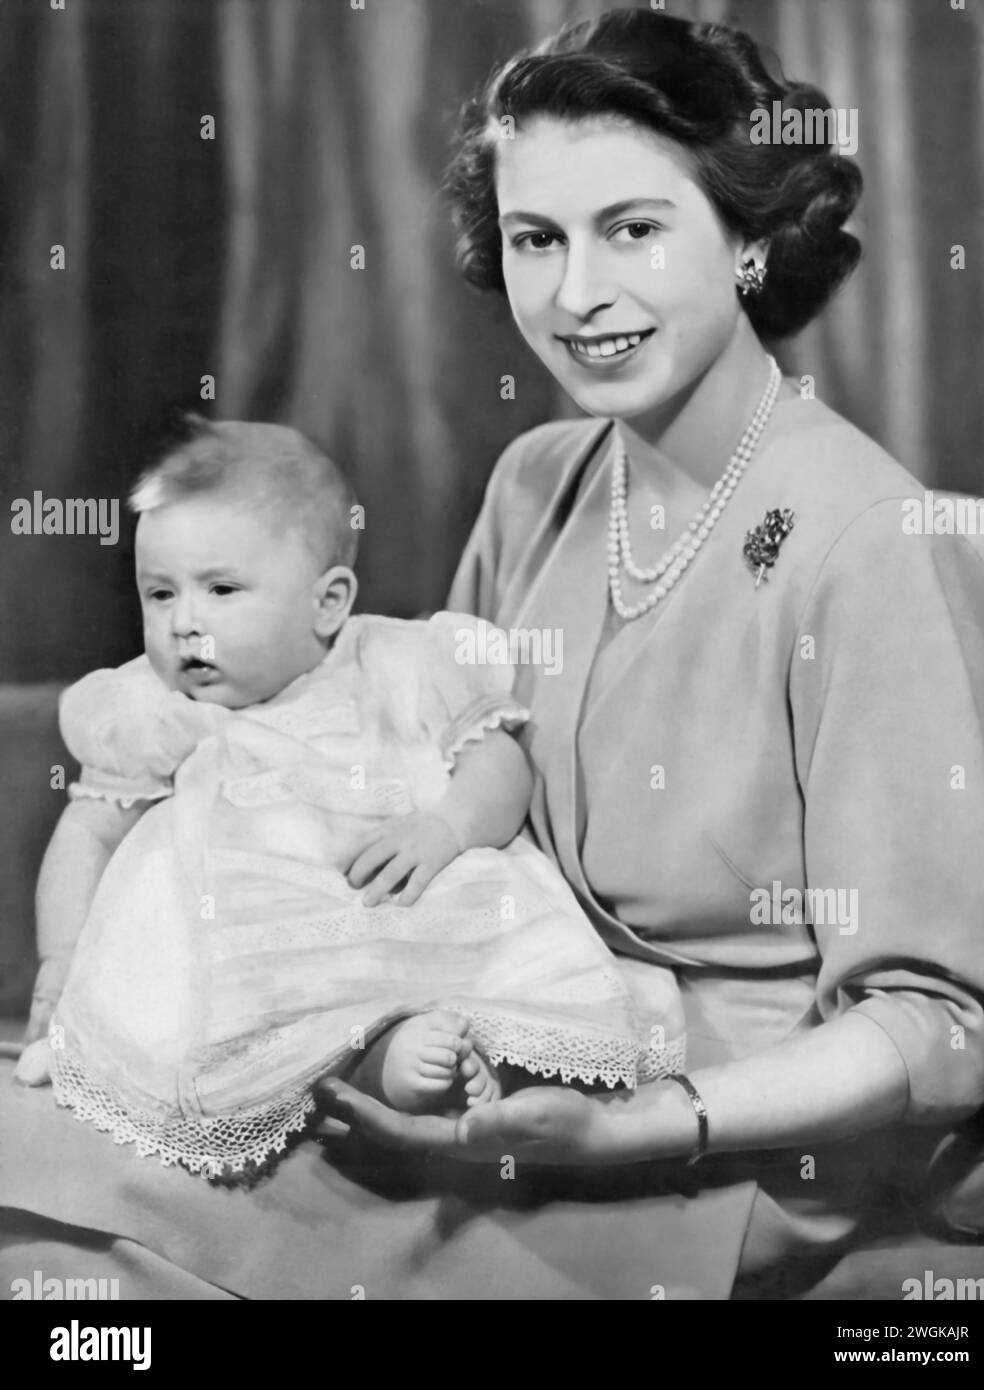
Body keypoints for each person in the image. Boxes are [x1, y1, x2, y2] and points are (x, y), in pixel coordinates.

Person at [1, 9, 984, 1299]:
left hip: (727, 1141)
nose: (575, 292)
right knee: (43, 1163)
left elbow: (937, 1026)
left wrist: (644, 1121)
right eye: (537, 238)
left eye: (633, 228)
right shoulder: (536, 479)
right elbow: (419, 770)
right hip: (491, 1050)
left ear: (752, 240)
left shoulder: (870, 544)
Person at [14, 415, 684, 1178]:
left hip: (399, 915)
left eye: (221, 589)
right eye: (159, 594)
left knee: (499, 969)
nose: (184, 624)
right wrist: (62, 957)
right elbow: (89, 831)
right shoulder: (152, 708)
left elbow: (498, 762)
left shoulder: (399, 662)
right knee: (230, 1030)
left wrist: (446, 827)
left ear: (328, 602)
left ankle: (469, 1061)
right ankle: (379, 1072)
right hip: (249, 961)